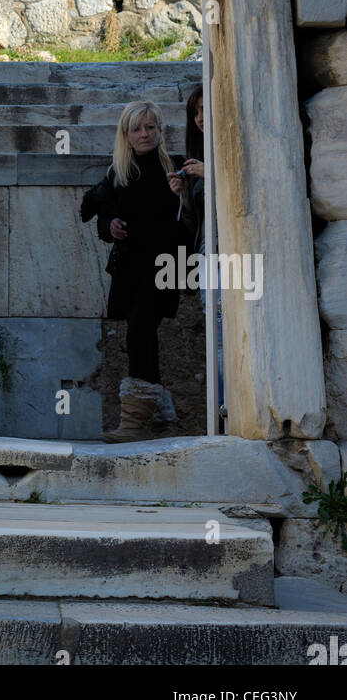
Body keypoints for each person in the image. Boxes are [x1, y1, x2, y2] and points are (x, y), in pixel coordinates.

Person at [80, 101, 191, 442]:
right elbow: (93, 209)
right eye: (137, 129)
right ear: (126, 135)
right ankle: (160, 414)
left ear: (160, 130)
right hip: (131, 265)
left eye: (151, 128)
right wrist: (110, 225)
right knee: (140, 332)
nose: (145, 134)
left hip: (167, 262)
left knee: (141, 328)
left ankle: (133, 422)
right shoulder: (119, 171)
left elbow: (195, 219)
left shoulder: (177, 168)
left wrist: (184, 195)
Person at [171, 83, 225, 419]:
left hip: (232, 255)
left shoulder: (228, 154)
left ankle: (227, 409)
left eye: (206, 109)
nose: (201, 118)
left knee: (225, 335)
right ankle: (223, 410)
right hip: (209, 255)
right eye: (195, 112)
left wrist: (213, 173)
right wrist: (183, 196)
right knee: (217, 335)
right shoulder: (205, 156)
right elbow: (197, 224)